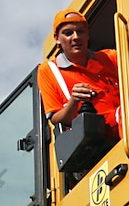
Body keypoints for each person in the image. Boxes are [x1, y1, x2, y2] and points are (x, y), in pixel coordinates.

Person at [37, 10, 121, 140]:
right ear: (57, 39)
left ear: (87, 35)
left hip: (127, 124)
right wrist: (74, 101)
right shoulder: (49, 70)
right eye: (68, 33)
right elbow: (56, 119)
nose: (76, 37)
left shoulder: (111, 57)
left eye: (80, 31)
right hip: (97, 137)